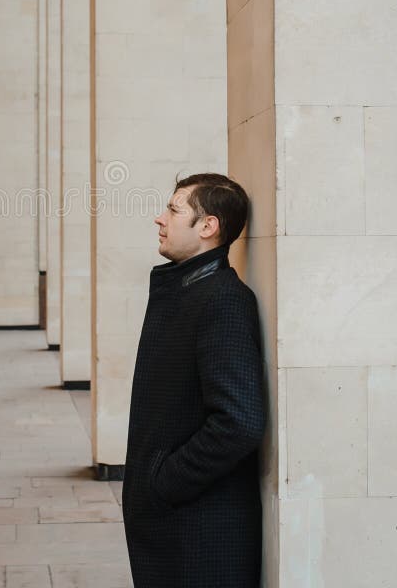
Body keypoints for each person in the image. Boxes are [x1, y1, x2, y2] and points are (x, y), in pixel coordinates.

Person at [122, 173, 266, 587]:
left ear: (207, 226)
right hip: (177, 526)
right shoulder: (186, 290)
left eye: (173, 210)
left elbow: (239, 422)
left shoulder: (223, 299)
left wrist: (164, 482)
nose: (160, 218)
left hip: (200, 532)